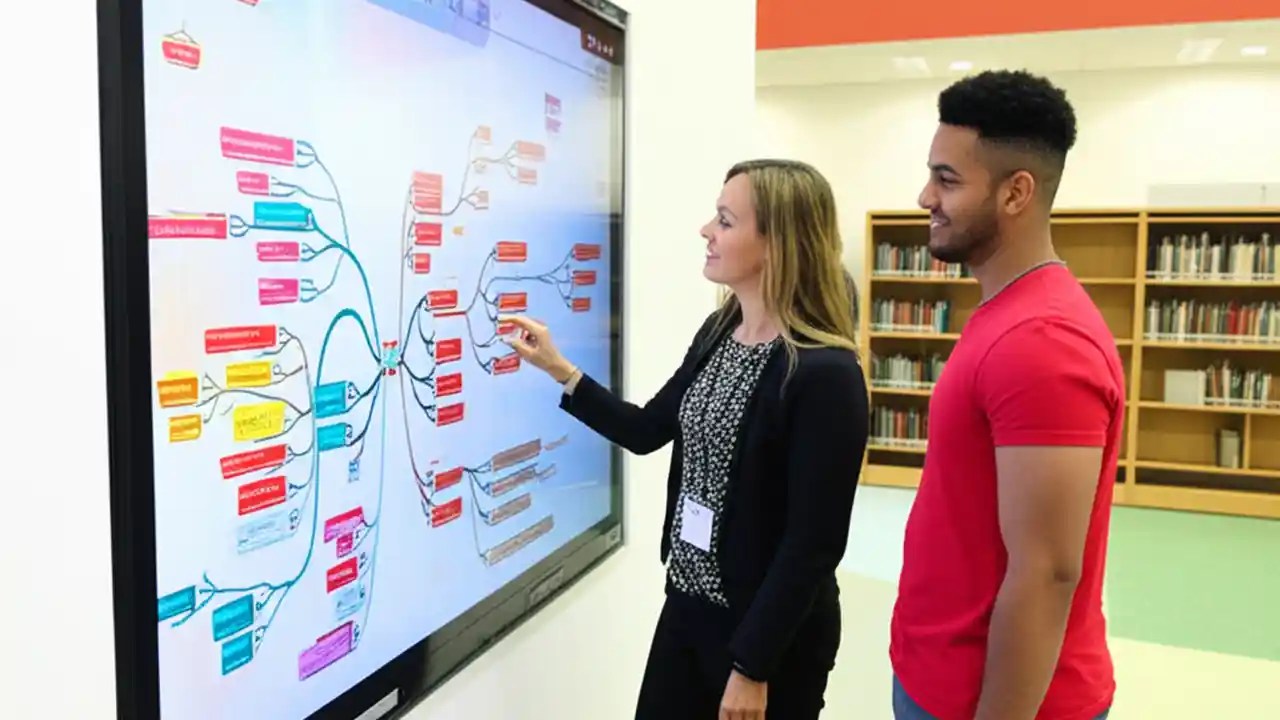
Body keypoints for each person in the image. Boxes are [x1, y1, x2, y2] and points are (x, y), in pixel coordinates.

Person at [501, 159, 869, 720]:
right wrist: (561, 371)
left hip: (767, 637)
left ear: (777, 243)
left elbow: (812, 544)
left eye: (725, 220)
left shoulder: (826, 374)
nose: (706, 231)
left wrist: (752, 666)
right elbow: (648, 429)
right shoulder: (720, 331)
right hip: (689, 605)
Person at [889, 70, 1123, 720]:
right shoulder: (1007, 314)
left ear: (1016, 192)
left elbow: (1046, 573)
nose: (925, 197)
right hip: (941, 678)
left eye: (947, 179)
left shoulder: (1041, 343)